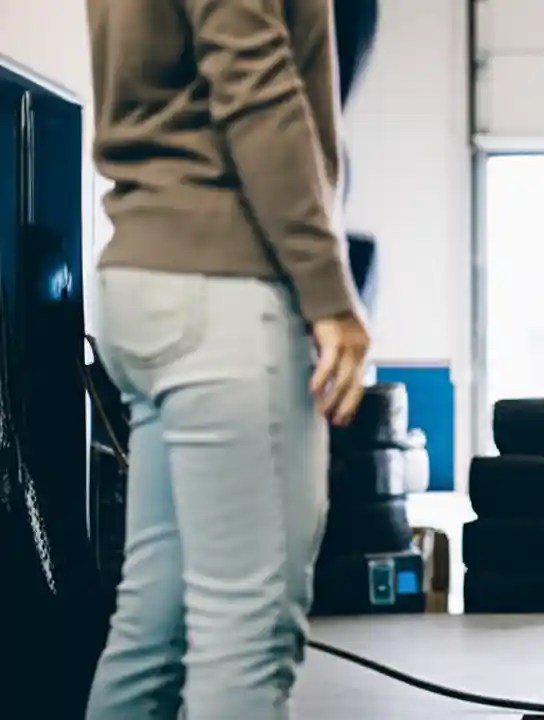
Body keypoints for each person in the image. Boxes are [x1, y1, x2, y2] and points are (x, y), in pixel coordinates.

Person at [83, 2, 370, 718]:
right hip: (228, 287)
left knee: (155, 627)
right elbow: (253, 79)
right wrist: (328, 289)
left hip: (148, 280)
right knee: (247, 637)